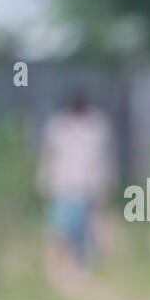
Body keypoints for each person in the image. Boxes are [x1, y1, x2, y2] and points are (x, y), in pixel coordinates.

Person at [36, 89, 115, 274]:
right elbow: (49, 156)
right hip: (63, 185)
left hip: (89, 187)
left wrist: (105, 185)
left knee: (85, 232)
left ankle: (80, 268)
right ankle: (58, 269)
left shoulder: (97, 125)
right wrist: (44, 182)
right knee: (61, 230)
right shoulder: (57, 125)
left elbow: (104, 158)